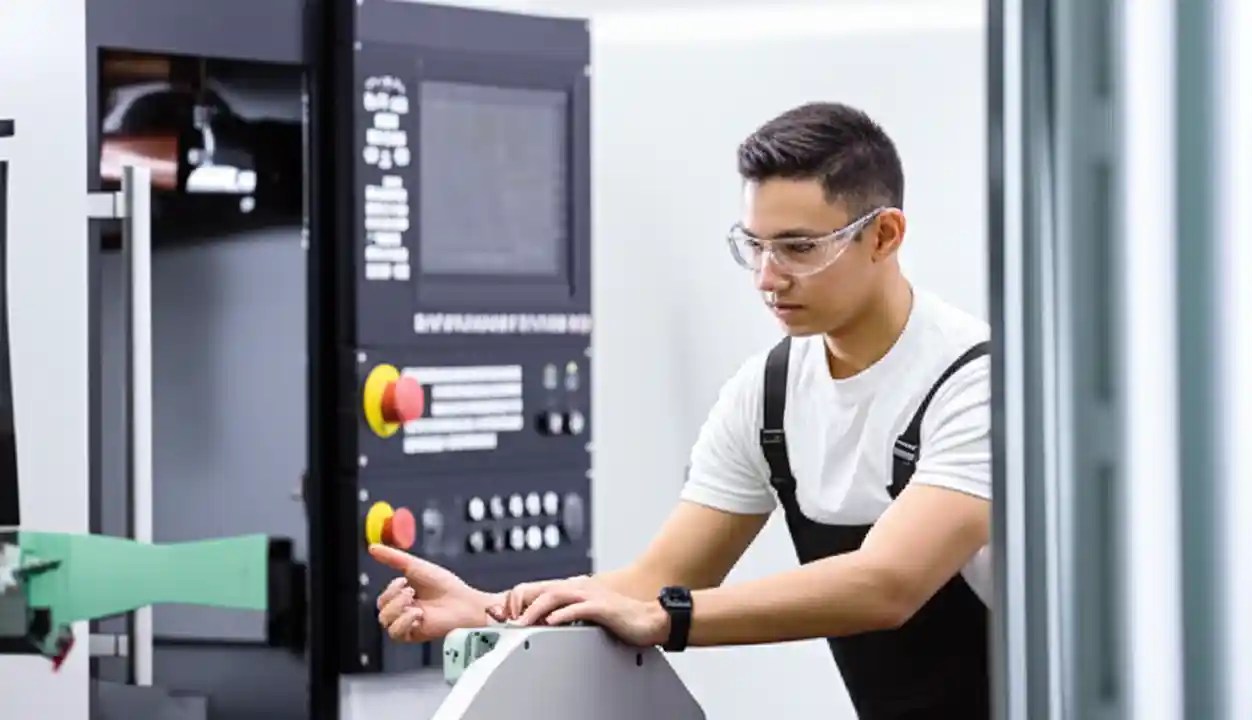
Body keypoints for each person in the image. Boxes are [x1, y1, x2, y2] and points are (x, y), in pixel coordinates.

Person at [371, 101, 993, 719]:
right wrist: (489, 610)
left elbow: (887, 585)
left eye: (800, 248)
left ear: (884, 235)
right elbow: (658, 578)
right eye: (755, 247)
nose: (767, 279)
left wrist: (664, 618)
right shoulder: (768, 397)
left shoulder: (977, 385)